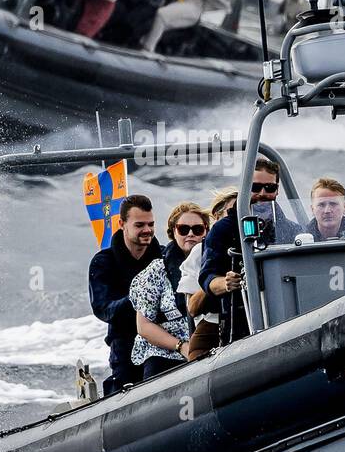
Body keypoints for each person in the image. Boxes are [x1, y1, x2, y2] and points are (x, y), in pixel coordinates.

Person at [199, 157, 302, 345]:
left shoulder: (291, 229)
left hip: (287, 319)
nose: (263, 194)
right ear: (245, 188)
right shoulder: (223, 229)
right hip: (240, 322)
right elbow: (206, 277)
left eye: (270, 188)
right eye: (256, 187)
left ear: (277, 190)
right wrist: (225, 282)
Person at [88, 195, 163, 395]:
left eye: (151, 224)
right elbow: (103, 309)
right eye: (140, 225)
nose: (147, 230)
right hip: (125, 346)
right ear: (122, 224)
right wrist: (138, 298)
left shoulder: (164, 257)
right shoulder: (103, 262)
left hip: (164, 341)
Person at [129, 202, 210, 380]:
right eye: (183, 229)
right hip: (164, 355)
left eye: (197, 229)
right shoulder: (157, 270)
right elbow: (143, 326)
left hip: (207, 350)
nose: (190, 234)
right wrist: (182, 346)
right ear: (173, 232)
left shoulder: (216, 265)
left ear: (206, 232)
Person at [180, 188, 237, 360]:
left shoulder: (256, 245)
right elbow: (192, 308)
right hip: (211, 328)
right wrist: (216, 284)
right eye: (232, 212)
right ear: (217, 217)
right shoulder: (200, 250)